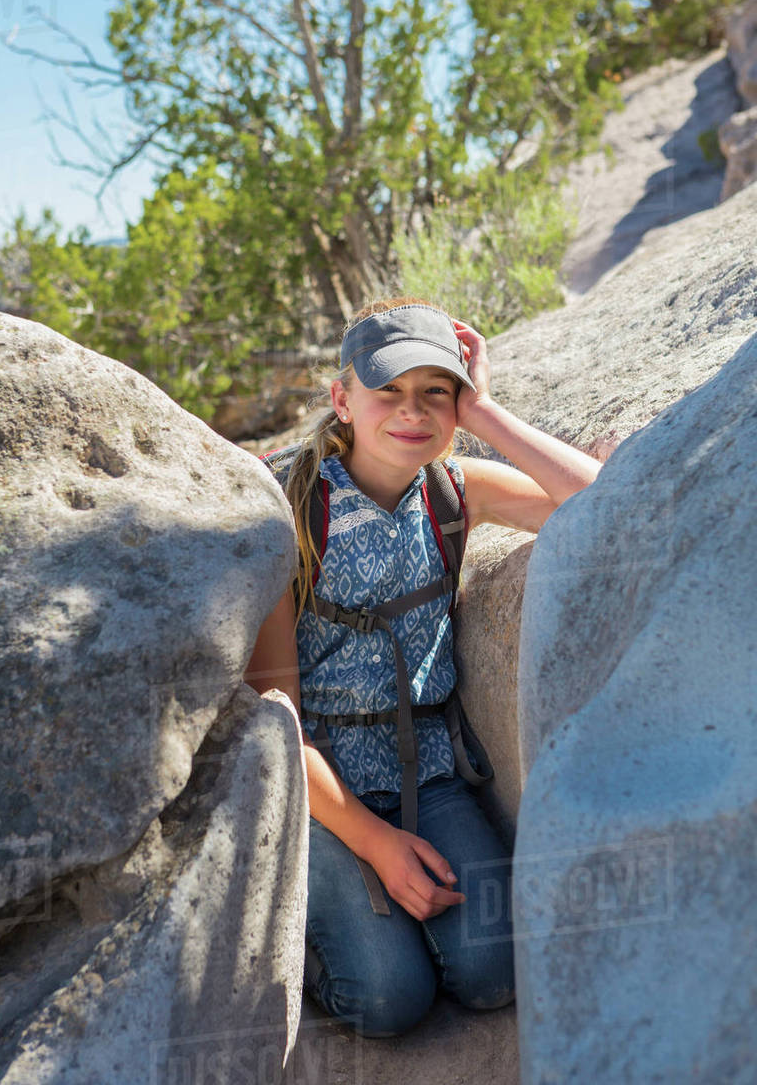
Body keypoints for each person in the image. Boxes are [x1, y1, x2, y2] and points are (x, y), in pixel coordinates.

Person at [245, 297, 602, 1038]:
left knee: (494, 975)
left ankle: (379, 904)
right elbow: (275, 714)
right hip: (320, 790)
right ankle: (307, 922)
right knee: (387, 999)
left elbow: (606, 502)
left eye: (434, 392)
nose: (411, 413)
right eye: (387, 391)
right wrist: (377, 845)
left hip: (428, 774)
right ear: (342, 399)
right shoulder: (287, 508)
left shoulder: (453, 492)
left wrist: (486, 415)